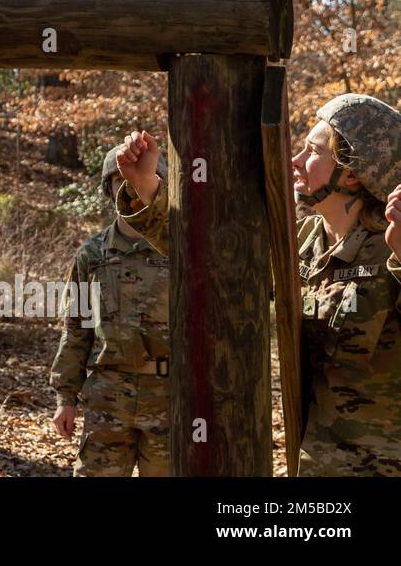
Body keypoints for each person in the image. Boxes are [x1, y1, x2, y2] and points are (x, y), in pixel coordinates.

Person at [115, 94, 401, 476]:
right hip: (316, 466)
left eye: (312, 152)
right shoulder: (299, 241)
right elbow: (216, 264)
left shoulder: (390, 247)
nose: (296, 161)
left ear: (351, 173)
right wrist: (148, 186)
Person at [50, 146, 171, 476]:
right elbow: (77, 327)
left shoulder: (180, 247)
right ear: (108, 187)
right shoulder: (93, 253)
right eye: (120, 178)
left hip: (169, 397)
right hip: (107, 396)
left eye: (143, 177)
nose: (129, 185)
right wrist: (66, 397)